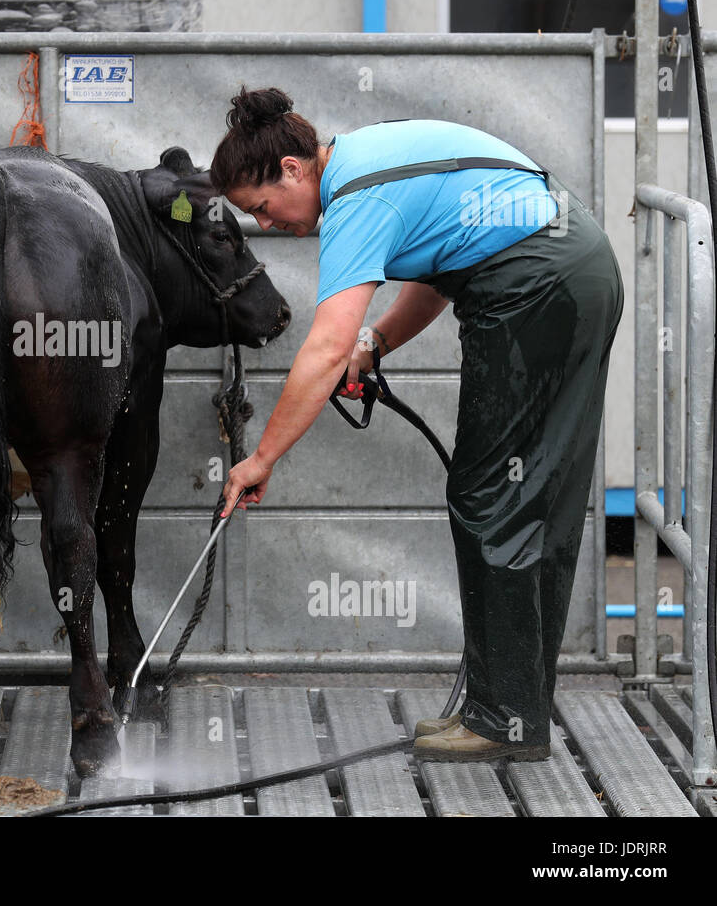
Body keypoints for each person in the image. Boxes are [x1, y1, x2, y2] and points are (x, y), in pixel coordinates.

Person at [214, 86, 623, 762]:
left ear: (292, 170)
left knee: (496, 496)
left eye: (262, 209)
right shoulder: (369, 160)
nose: (267, 226)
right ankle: (509, 708)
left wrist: (262, 458)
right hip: (564, 268)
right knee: (518, 495)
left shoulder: (354, 197)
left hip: (539, 285)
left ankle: (504, 722)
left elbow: (320, 349)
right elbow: (439, 270)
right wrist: (375, 345)